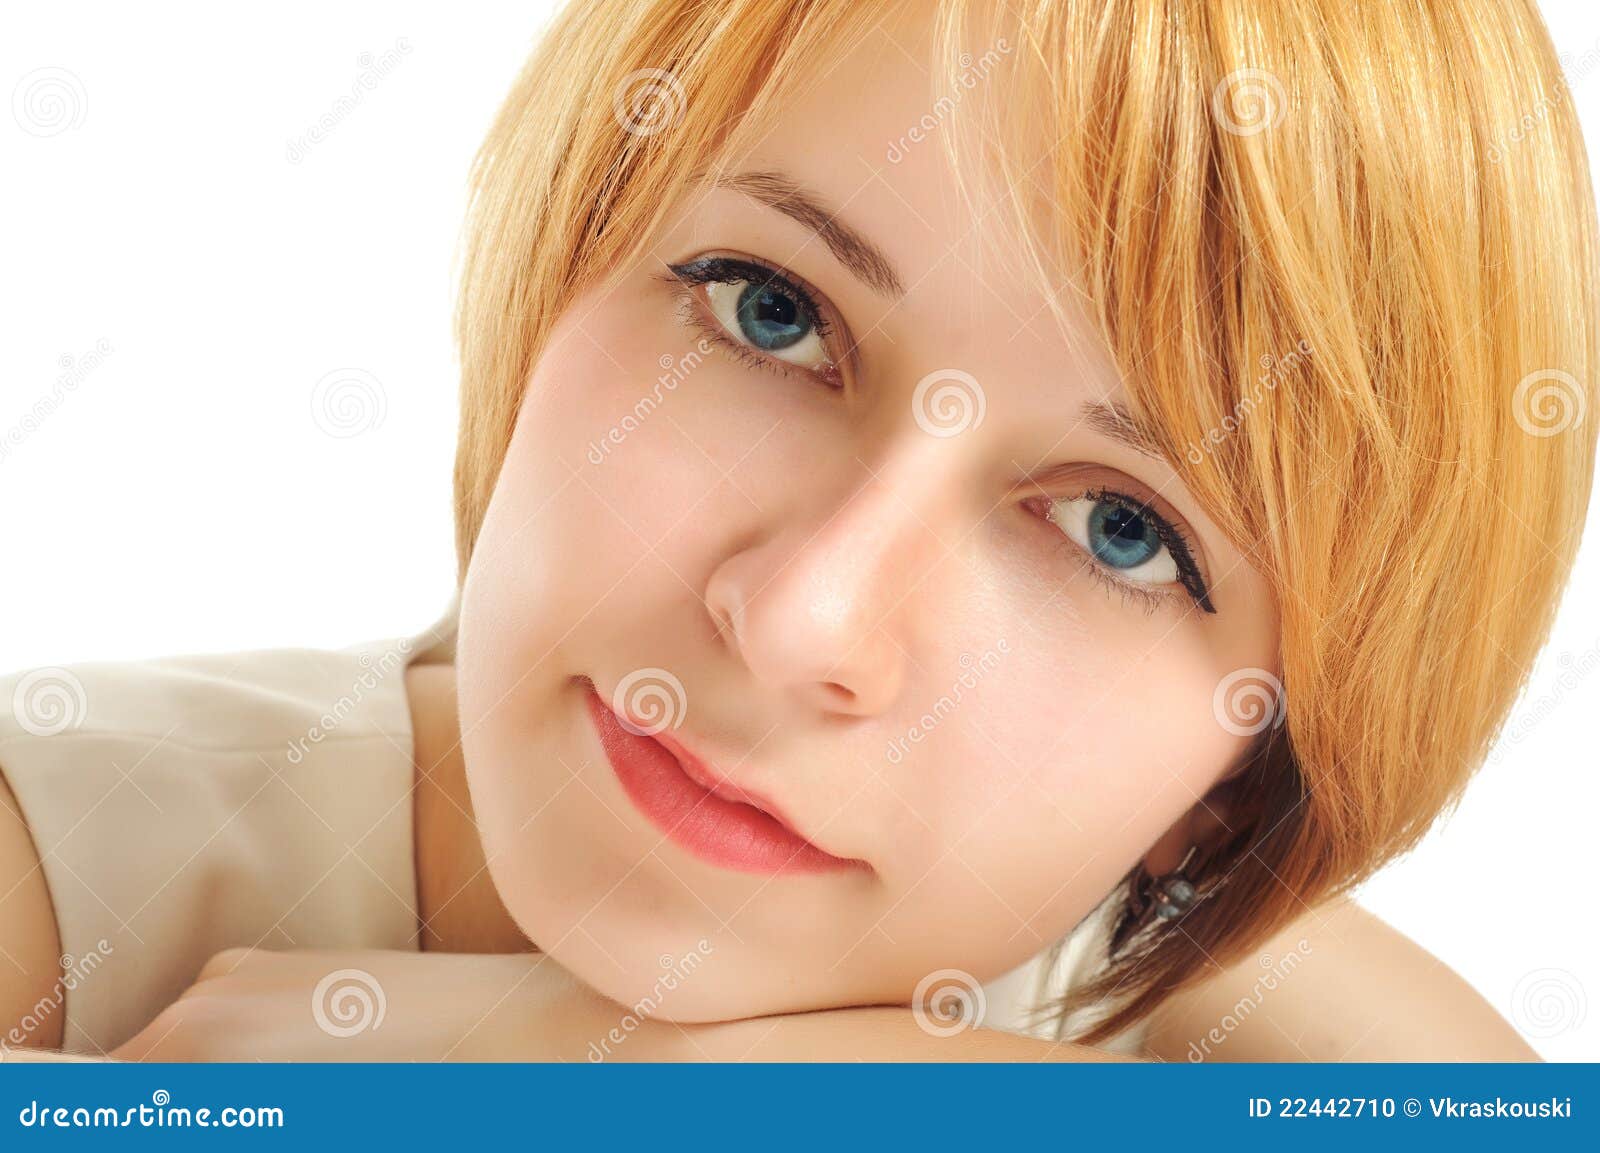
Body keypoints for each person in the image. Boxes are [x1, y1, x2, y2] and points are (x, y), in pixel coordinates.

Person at [3, 0, 1590, 1061]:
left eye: (1118, 530)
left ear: (1231, 799)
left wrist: (569, 1073)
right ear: (562, 270)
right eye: (772, 314)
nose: (806, 618)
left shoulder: (1156, 974)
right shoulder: (63, 865)